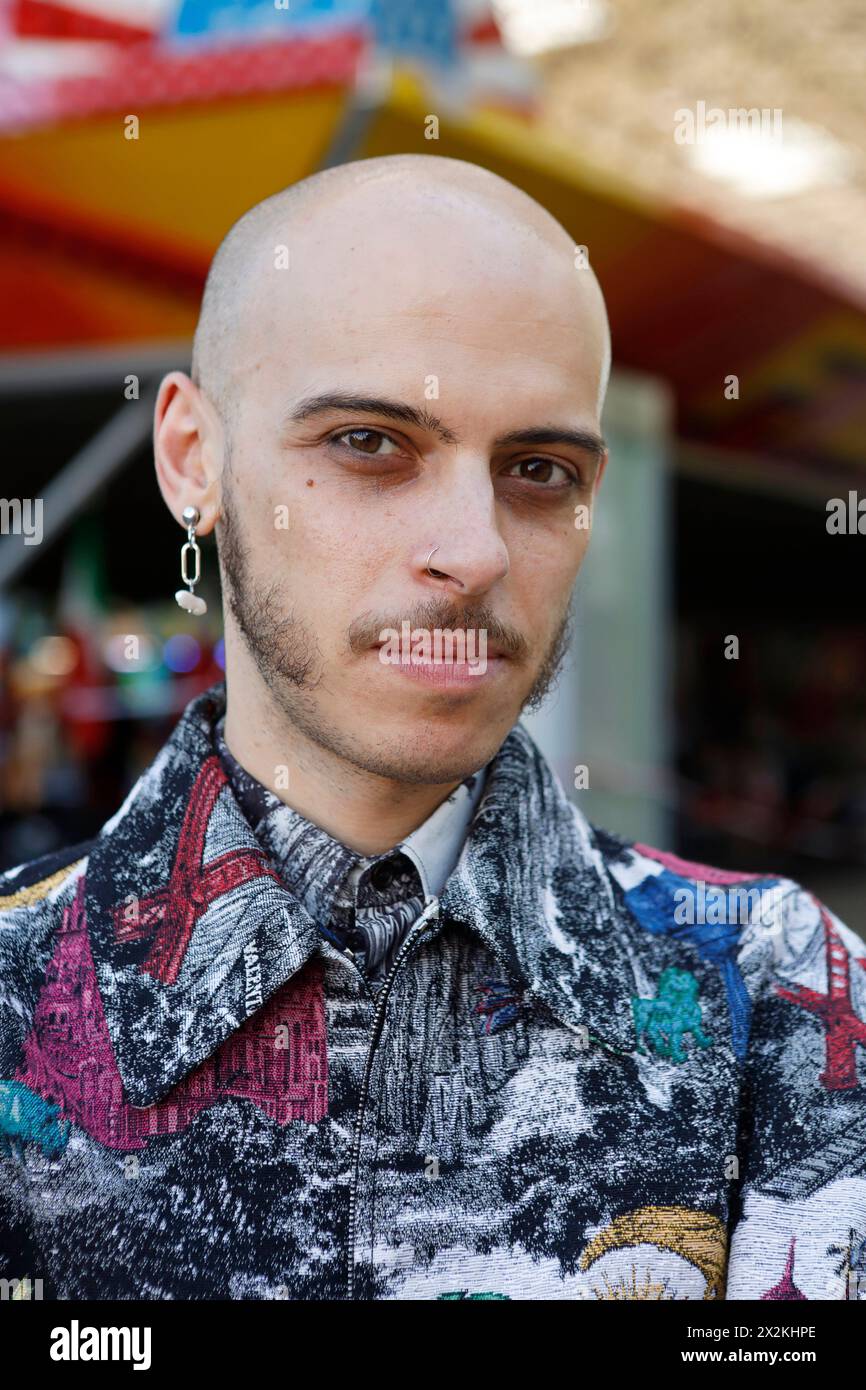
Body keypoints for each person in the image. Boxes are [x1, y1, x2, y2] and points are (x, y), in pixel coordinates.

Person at [1, 155, 864, 1302]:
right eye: (368, 441)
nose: (475, 550)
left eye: (538, 469)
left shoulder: (781, 995)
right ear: (191, 458)